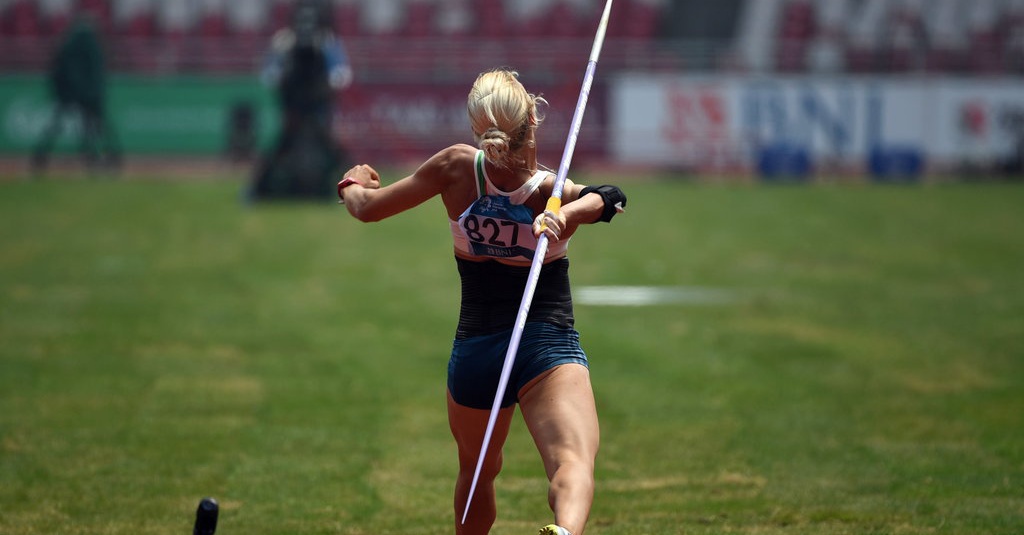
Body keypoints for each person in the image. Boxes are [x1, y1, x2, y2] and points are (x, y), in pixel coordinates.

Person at [337, 69, 627, 535]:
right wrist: (567, 211)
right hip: (544, 346)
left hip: (476, 352)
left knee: (476, 474)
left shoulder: (455, 168)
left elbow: (368, 208)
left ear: (477, 129)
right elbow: (610, 199)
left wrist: (352, 183)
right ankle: (566, 531)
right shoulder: (552, 191)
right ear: (532, 117)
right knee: (570, 460)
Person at [249, 0, 353, 199]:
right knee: (282, 145)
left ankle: (346, 187)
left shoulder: (327, 41)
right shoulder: (284, 41)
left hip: (318, 109)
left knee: (330, 148)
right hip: (294, 108)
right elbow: (269, 75)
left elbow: (342, 74)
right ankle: (257, 189)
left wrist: (325, 84)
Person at [31, 13, 120, 174]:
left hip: (70, 94)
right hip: (87, 95)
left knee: (60, 127)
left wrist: (64, 92)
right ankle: (106, 157)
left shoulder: (68, 44)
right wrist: (91, 93)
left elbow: (58, 72)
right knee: (96, 127)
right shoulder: (91, 45)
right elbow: (96, 74)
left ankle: (42, 155)